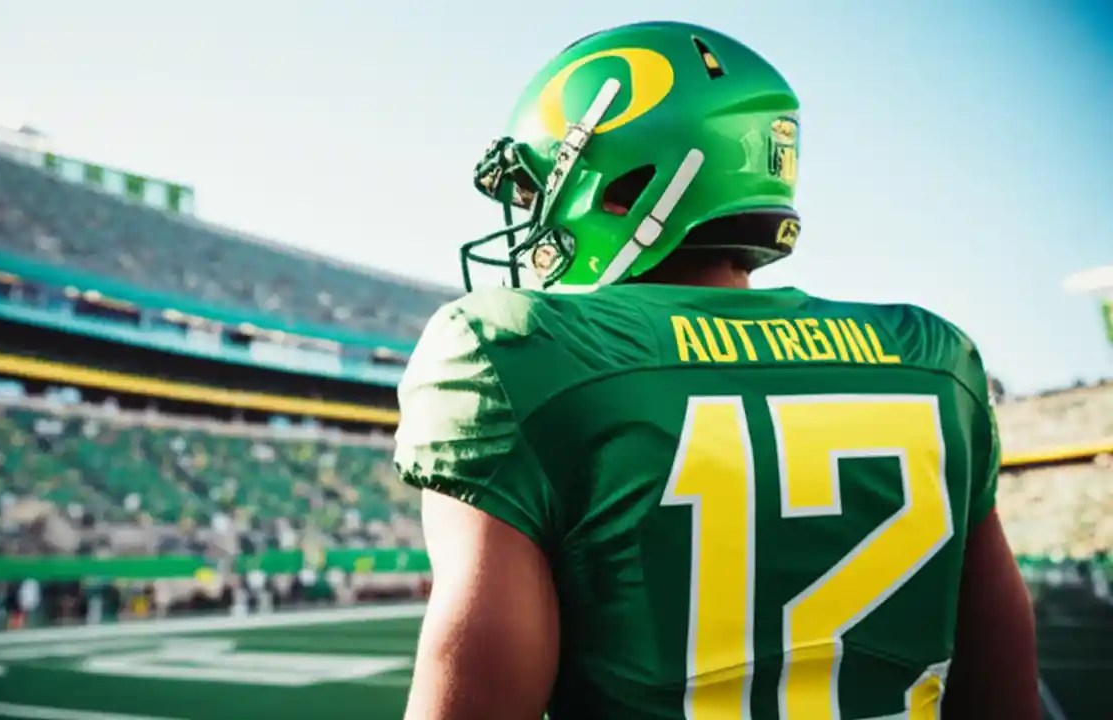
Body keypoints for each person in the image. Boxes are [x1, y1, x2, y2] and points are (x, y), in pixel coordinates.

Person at [393, 20, 1039, 720]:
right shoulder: (935, 361)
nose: (537, 232)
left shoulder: (522, 352)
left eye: (541, 195)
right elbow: (1005, 699)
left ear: (627, 187)